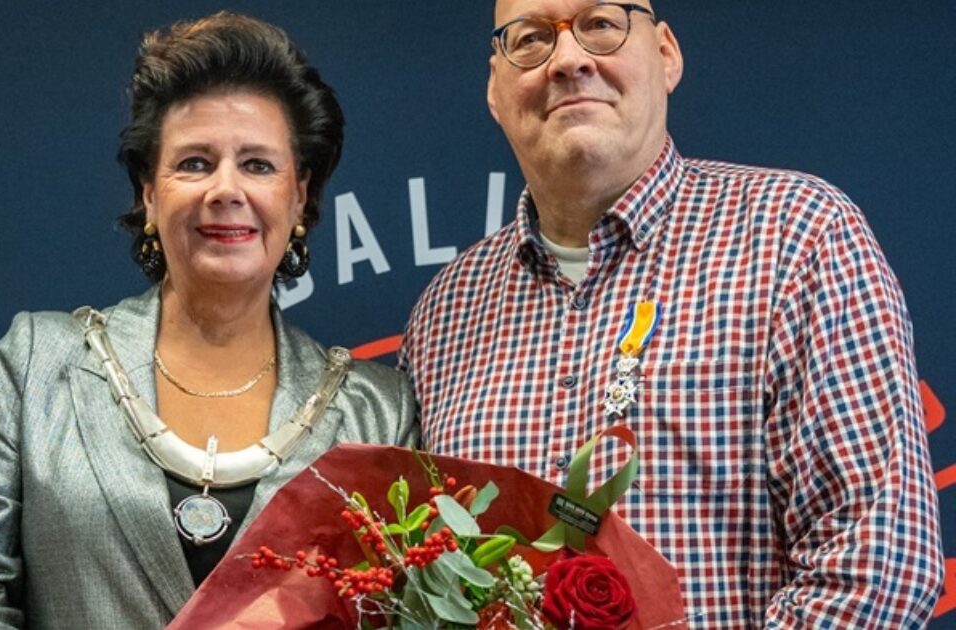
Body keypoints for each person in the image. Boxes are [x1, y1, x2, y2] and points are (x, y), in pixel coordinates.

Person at [399, 1, 943, 627]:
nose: (569, 60)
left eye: (600, 24)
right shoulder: (445, 312)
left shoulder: (797, 236)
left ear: (664, 54)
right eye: (530, 40)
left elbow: (874, 562)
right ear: (495, 91)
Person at [0, 13, 416, 628]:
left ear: (301, 196)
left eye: (258, 164)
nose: (225, 189)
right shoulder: (38, 362)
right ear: (149, 192)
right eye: (195, 163)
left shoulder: (377, 410)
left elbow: (391, 610)